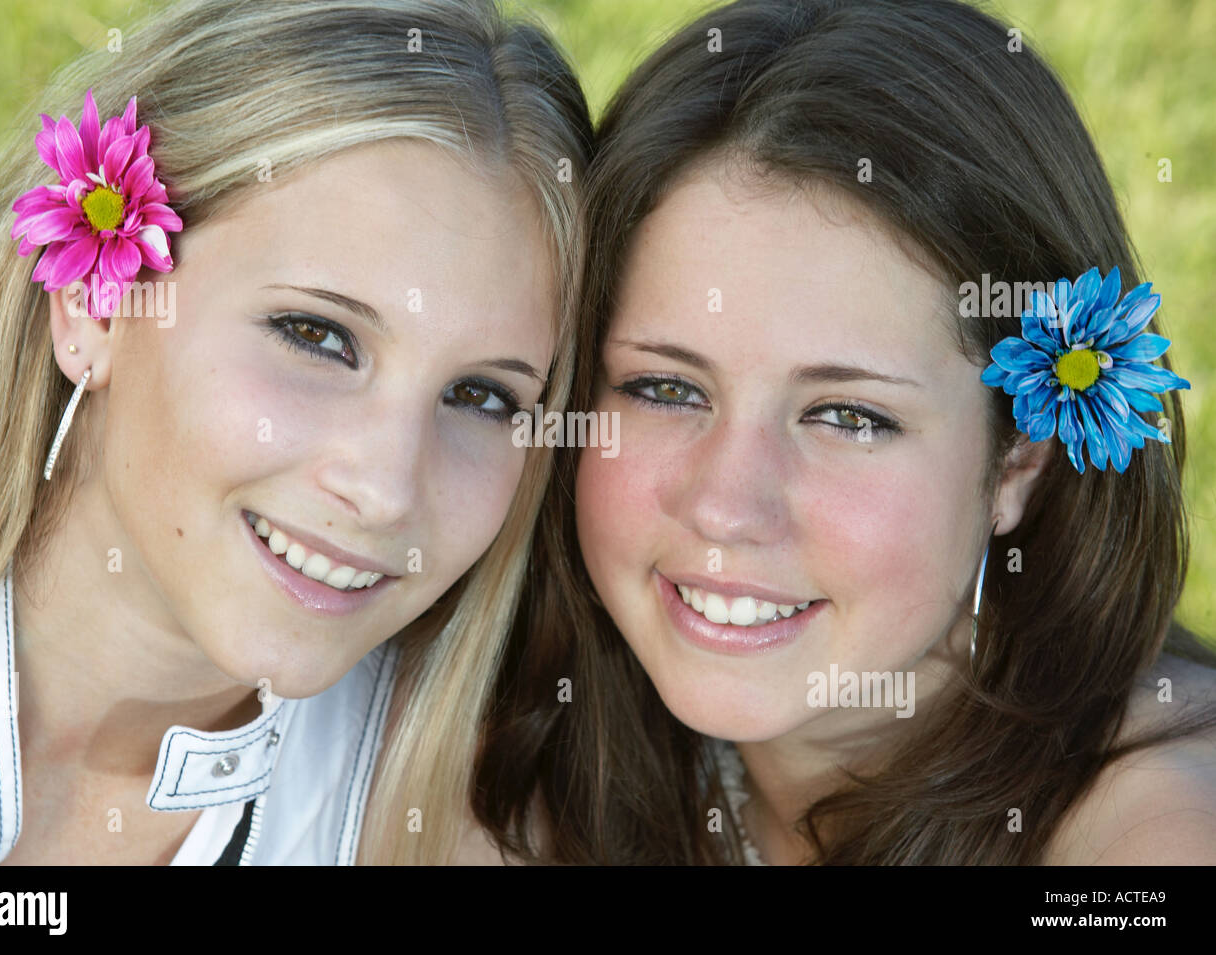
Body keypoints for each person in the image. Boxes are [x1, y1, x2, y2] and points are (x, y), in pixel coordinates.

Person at [471, 0, 1216, 864]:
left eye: (848, 415)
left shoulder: (1154, 834)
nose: (726, 506)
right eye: (666, 387)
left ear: (1020, 459)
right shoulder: (523, 739)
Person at [0, 0, 591, 865]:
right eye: (317, 335)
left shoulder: (461, 837)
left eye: (482, 397)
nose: (386, 488)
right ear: (94, 297)